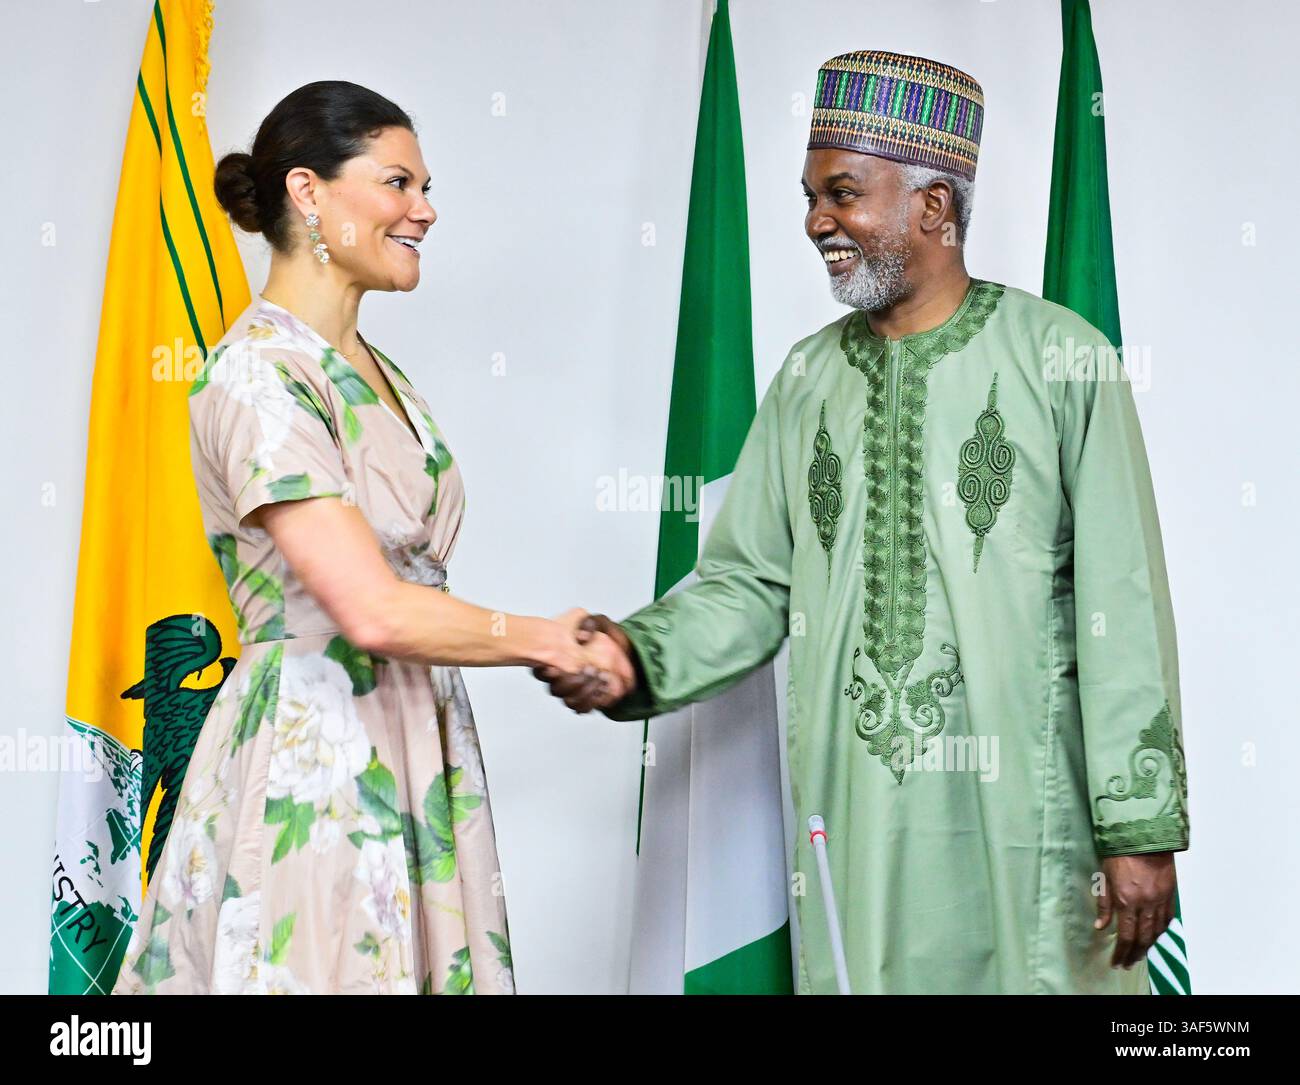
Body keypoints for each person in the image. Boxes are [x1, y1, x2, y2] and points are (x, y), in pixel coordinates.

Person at [537, 50, 1189, 995]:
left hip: (1032, 819)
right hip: (860, 812)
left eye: (842, 194)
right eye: (810, 197)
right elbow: (751, 583)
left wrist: (1141, 825)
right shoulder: (808, 379)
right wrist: (636, 656)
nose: (816, 223)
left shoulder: (1061, 358)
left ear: (933, 206)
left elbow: (1121, 598)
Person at [111, 81, 631, 995]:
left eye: (426, 187)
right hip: (316, 760)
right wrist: (553, 640)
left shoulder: (379, 370)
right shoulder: (259, 376)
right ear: (309, 192)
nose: (424, 211)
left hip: (414, 735)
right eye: (399, 183)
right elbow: (370, 608)